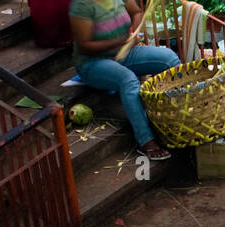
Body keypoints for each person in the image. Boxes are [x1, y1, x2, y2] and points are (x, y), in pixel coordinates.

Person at [70, 0, 181, 161]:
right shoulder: (81, 5)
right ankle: (146, 140)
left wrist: (134, 34)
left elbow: (136, 12)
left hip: (125, 51)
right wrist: (120, 41)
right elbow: (84, 46)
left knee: (169, 59)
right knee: (128, 80)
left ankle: (178, 115)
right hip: (93, 62)